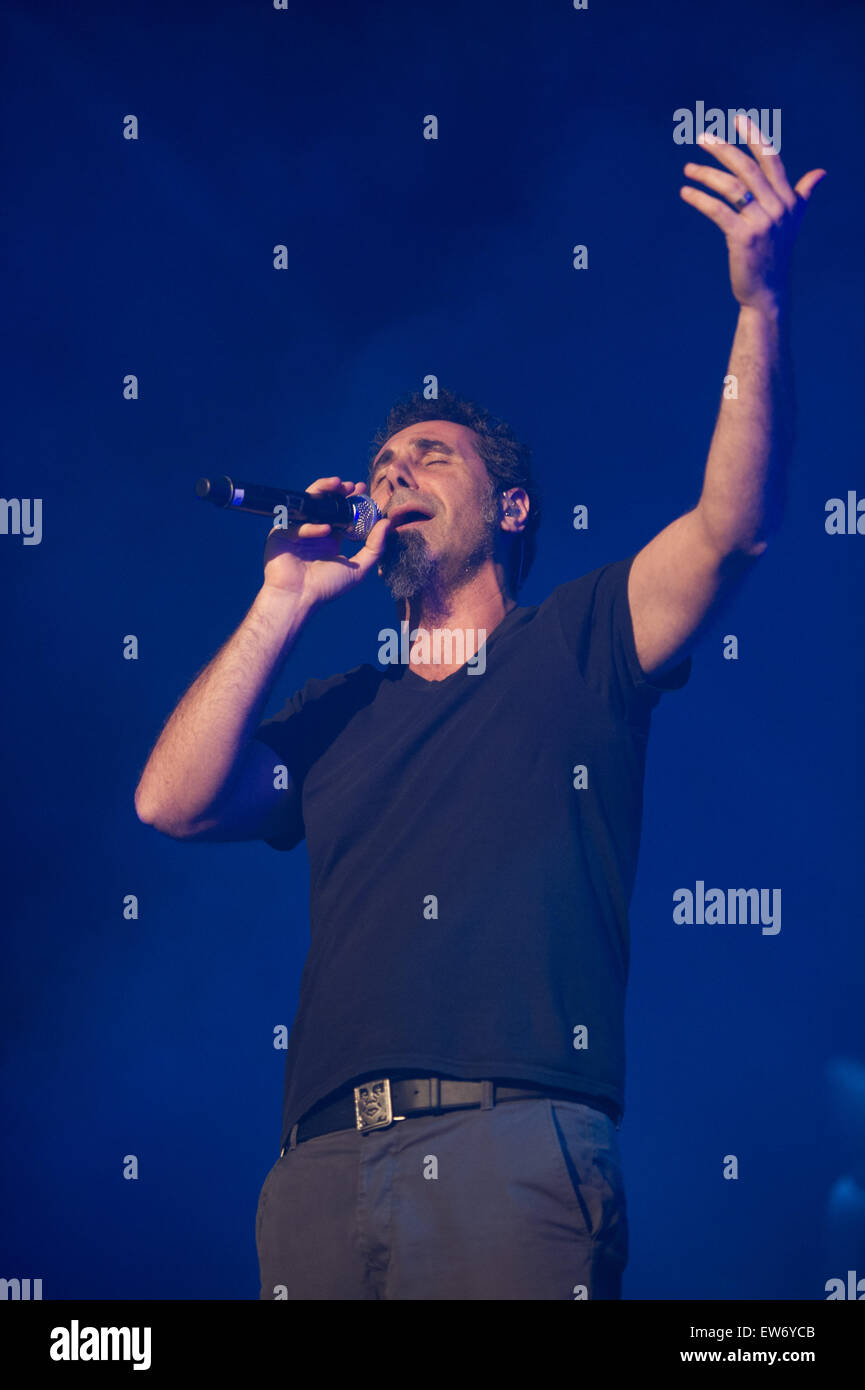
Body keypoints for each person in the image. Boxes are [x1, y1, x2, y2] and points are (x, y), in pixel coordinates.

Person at [134, 121, 824, 1299]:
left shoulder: (580, 639)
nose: (393, 470)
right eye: (384, 457)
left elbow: (730, 529)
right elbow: (171, 802)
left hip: (508, 1143)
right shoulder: (337, 707)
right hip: (316, 1168)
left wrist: (758, 305)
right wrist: (282, 595)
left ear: (509, 510)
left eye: (430, 456)